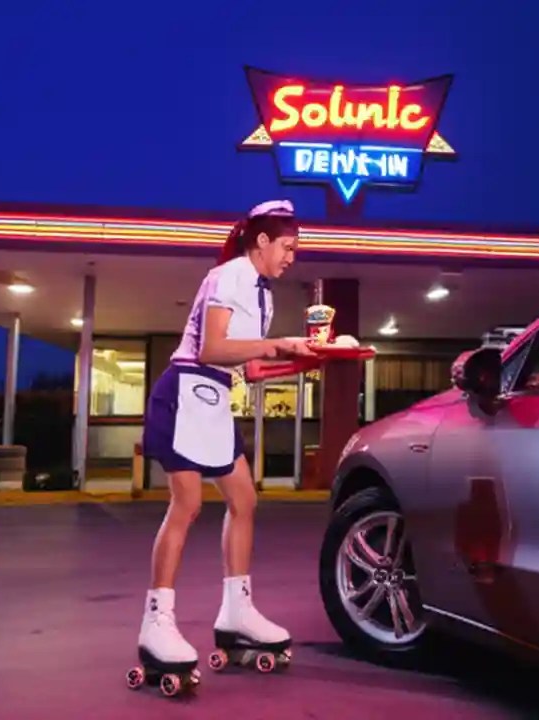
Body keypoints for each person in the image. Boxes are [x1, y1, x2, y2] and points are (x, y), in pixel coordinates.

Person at [134, 199, 316, 683]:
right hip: (184, 390)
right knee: (187, 504)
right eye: (288, 247)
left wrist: (308, 359)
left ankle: (237, 613)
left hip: (215, 398)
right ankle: (156, 622)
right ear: (262, 241)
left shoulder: (263, 294)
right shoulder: (229, 275)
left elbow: (251, 369)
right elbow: (213, 348)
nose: (291, 257)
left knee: (244, 500)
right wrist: (277, 343)